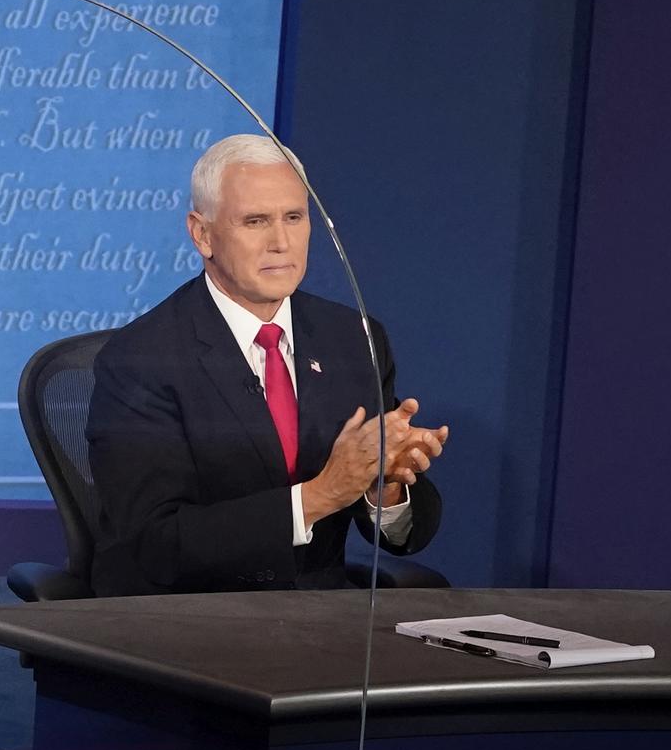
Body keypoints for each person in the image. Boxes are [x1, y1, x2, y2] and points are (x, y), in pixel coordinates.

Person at [85, 132, 449, 597]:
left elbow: (403, 531)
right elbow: (157, 544)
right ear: (202, 234)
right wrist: (319, 497)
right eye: (255, 221)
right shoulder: (141, 360)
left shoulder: (354, 339)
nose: (281, 242)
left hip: (317, 627)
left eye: (294, 218)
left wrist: (385, 487)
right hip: (184, 621)